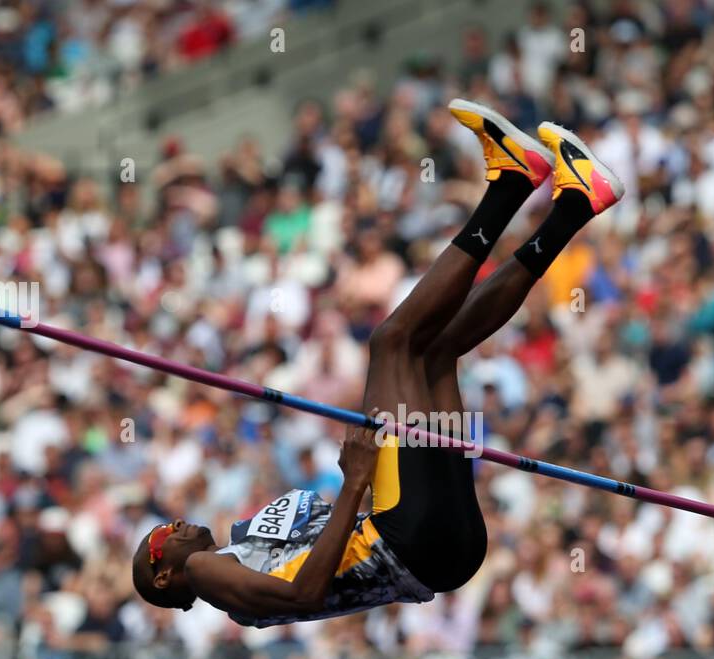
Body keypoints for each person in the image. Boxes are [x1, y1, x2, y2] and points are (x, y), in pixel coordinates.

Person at [133, 100, 623, 628]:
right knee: (391, 341)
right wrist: (354, 481)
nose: (177, 524)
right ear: (165, 577)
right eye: (163, 537)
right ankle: (510, 185)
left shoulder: (237, 556)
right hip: (407, 536)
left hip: (441, 550)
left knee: (437, 356)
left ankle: (574, 203)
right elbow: (304, 594)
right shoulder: (208, 575)